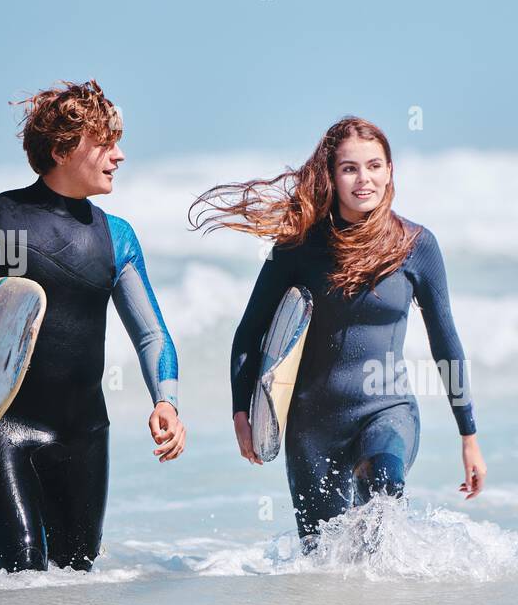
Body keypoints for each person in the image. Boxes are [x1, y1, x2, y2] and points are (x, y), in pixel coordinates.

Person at [0, 80, 185, 572]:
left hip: (85, 436)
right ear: (62, 149)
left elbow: (150, 334)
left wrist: (166, 401)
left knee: (76, 585)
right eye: (105, 143)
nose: (119, 156)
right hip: (2, 430)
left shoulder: (115, 237)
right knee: (21, 584)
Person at [192, 116, 485, 547]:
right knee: (320, 562)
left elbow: (446, 343)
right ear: (331, 175)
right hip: (313, 427)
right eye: (350, 168)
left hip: (387, 410)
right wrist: (243, 412)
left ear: (390, 172)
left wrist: (469, 435)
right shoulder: (298, 248)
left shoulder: (415, 245)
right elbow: (249, 333)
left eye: (375, 166)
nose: (364, 178)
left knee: (384, 487)